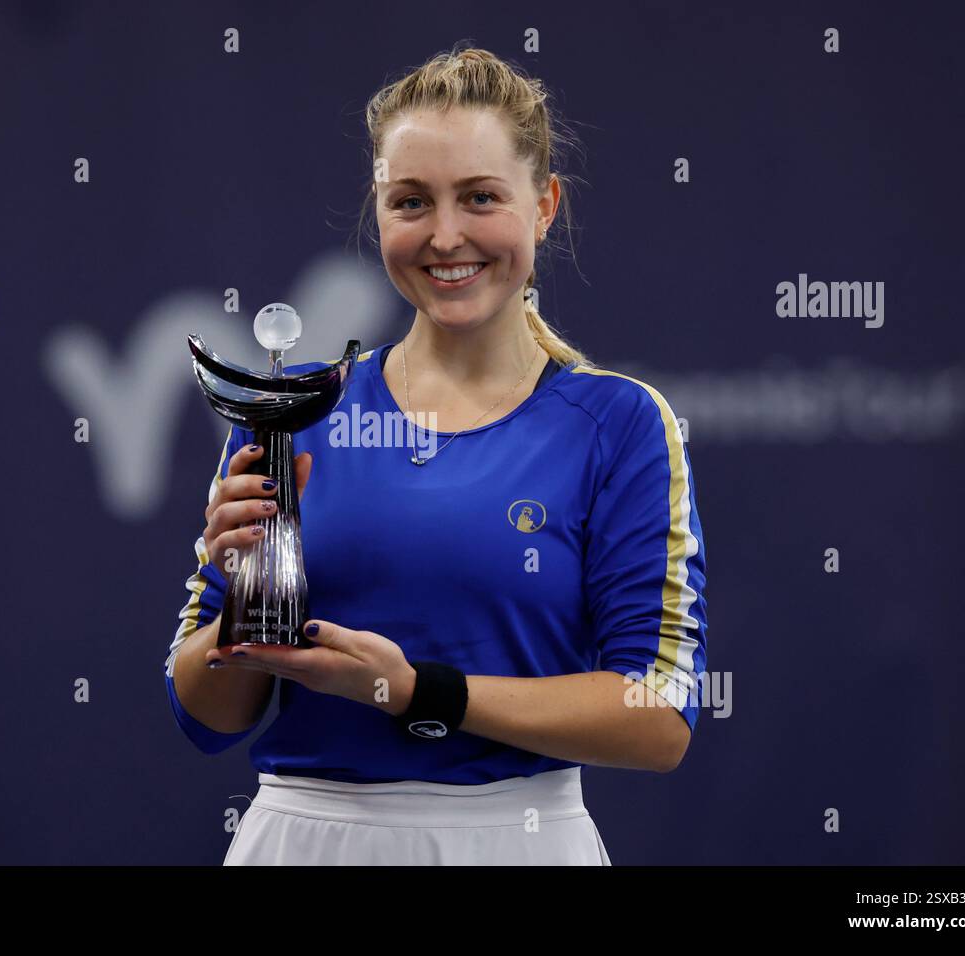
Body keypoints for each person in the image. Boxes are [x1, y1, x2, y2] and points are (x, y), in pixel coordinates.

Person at [164, 45, 708, 865]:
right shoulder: (293, 413)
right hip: (300, 844)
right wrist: (246, 598)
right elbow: (207, 718)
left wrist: (417, 692)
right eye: (411, 201)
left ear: (546, 205)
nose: (445, 236)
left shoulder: (620, 423)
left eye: (481, 198)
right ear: (379, 211)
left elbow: (659, 717)